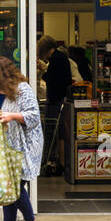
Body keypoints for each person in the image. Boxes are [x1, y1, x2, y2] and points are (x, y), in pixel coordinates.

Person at [0, 55, 42, 221]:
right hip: (6, 146)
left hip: (24, 145)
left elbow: (33, 115)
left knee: (14, 185)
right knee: (7, 184)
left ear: (0, 74)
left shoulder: (22, 89)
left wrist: (12, 116)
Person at [38, 36, 72, 175]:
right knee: (59, 132)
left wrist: (44, 72)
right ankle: (60, 161)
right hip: (60, 98)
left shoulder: (57, 59)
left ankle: (58, 162)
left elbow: (52, 78)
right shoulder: (61, 57)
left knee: (57, 131)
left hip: (57, 100)